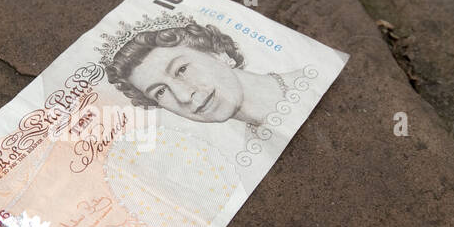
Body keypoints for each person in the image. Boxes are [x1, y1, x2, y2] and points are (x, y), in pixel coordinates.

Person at [104, 19, 308, 140]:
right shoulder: (250, 157)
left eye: (181, 69)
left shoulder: (311, 83)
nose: (183, 96)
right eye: (160, 92)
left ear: (218, 52)